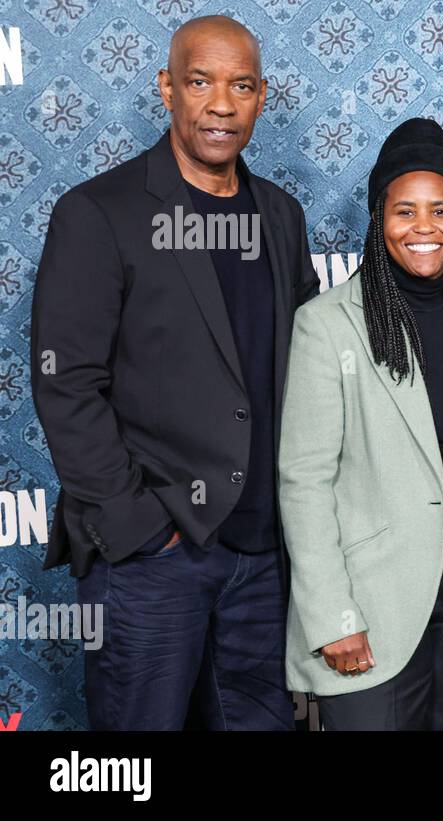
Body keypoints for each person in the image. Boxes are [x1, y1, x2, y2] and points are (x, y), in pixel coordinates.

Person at [30, 15, 316, 730]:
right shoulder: (100, 212)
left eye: (241, 85)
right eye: (200, 81)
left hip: (262, 558)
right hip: (151, 558)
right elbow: (65, 382)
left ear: (261, 97)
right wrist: (137, 525)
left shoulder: (280, 215)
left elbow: (315, 349)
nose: (221, 103)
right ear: (166, 88)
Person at [277, 118, 443, 731]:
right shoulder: (328, 326)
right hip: (375, 600)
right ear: (379, 222)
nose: (423, 228)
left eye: (441, 211)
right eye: (405, 212)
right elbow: (304, 483)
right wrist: (332, 617)